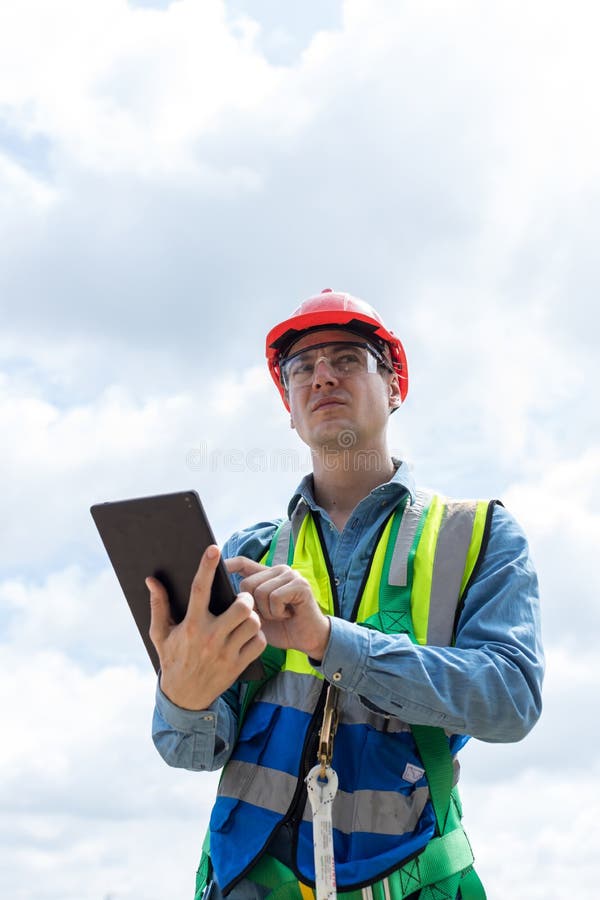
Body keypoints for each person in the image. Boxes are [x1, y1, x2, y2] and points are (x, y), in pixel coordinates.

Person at [148, 289, 544, 900]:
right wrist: (183, 696)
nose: (321, 375)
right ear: (288, 406)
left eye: (348, 358)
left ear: (394, 386)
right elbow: (189, 749)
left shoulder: (476, 536)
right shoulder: (242, 557)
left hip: (413, 882)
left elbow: (511, 700)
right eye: (301, 367)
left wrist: (329, 640)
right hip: (250, 883)